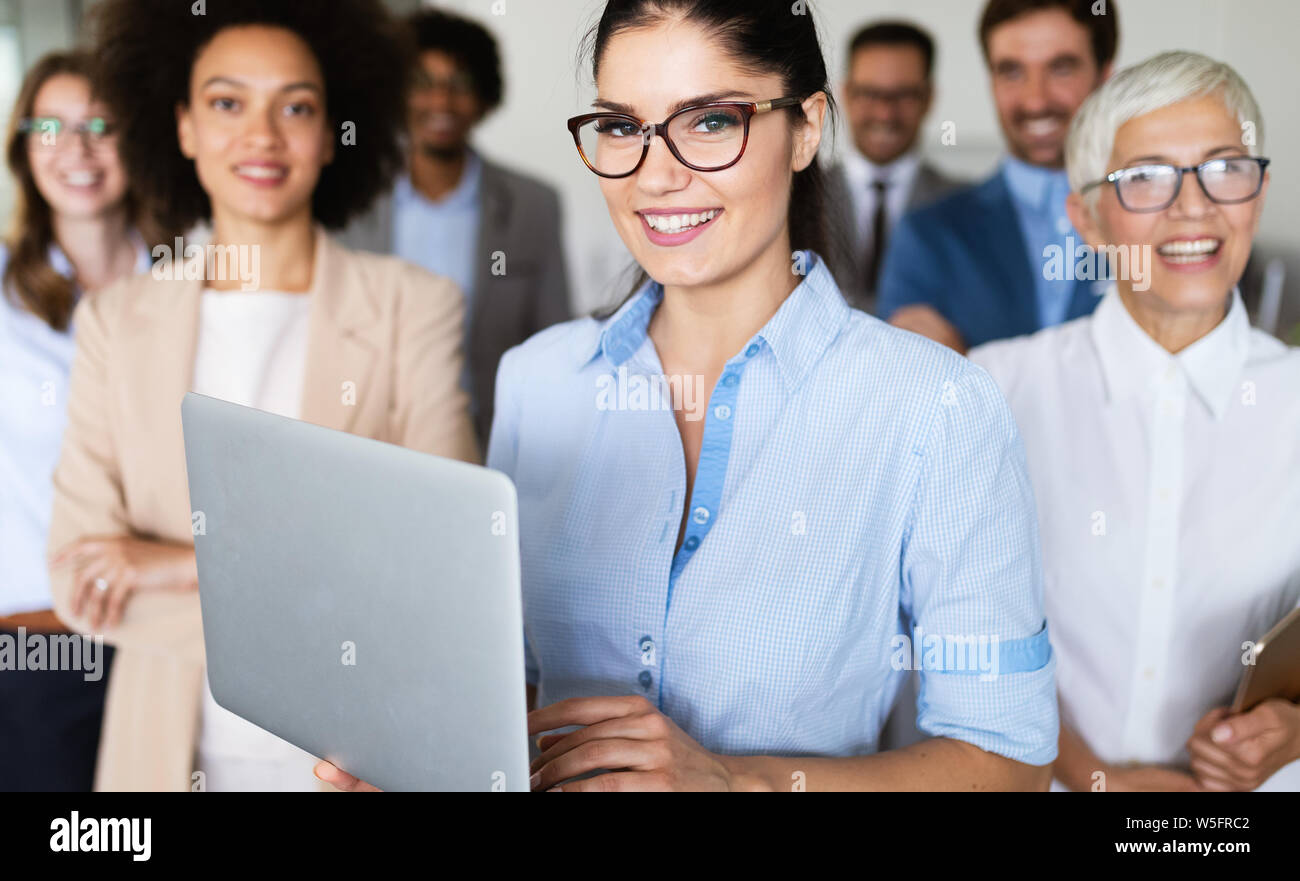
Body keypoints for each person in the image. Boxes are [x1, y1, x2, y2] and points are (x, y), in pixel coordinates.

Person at [319, 0, 1057, 793]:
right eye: (622, 126)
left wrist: (737, 782)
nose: (656, 173)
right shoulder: (538, 381)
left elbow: (1008, 759)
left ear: (806, 128)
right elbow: (516, 697)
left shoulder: (935, 406)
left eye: (708, 121)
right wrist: (426, 761)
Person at [47, 0, 477, 792]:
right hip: (160, 761)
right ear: (183, 127)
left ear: (330, 133)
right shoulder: (116, 320)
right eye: (226, 102)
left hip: (360, 764)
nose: (263, 135)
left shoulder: (412, 306)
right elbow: (81, 580)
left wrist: (171, 567)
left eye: (297, 106)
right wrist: (323, 578)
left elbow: (442, 565)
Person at [969, 51, 1300, 791]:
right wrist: (1097, 779)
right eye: (1147, 176)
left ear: (1259, 191)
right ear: (1086, 216)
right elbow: (948, 639)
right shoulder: (994, 390)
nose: (1194, 207)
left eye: (1225, 168)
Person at [0, 50, 151, 791]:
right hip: (38, 645)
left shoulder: (192, 281)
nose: (77, 149)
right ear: (23, 149)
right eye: (49, 127)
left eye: (99, 124)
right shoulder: (2, 291)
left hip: (171, 635)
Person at [343, 8, 572, 446]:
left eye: (461, 85)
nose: (441, 102)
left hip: (491, 442)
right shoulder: (352, 199)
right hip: (368, 439)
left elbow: (555, 341)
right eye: (422, 84)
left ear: (485, 96)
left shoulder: (532, 205)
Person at [878, 0, 1118, 353]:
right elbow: (902, 394)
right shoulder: (929, 237)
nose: (1035, 101)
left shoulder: (1159, 218)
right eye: (1012, 72)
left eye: (1061, 69)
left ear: (1104, 77)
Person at [823, 21, 962, 312]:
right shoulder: (796, 198)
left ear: (928, 98)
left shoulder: (964, 204)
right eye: (870, 94)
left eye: (904, 95)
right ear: (846, 94)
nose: (885, 113)